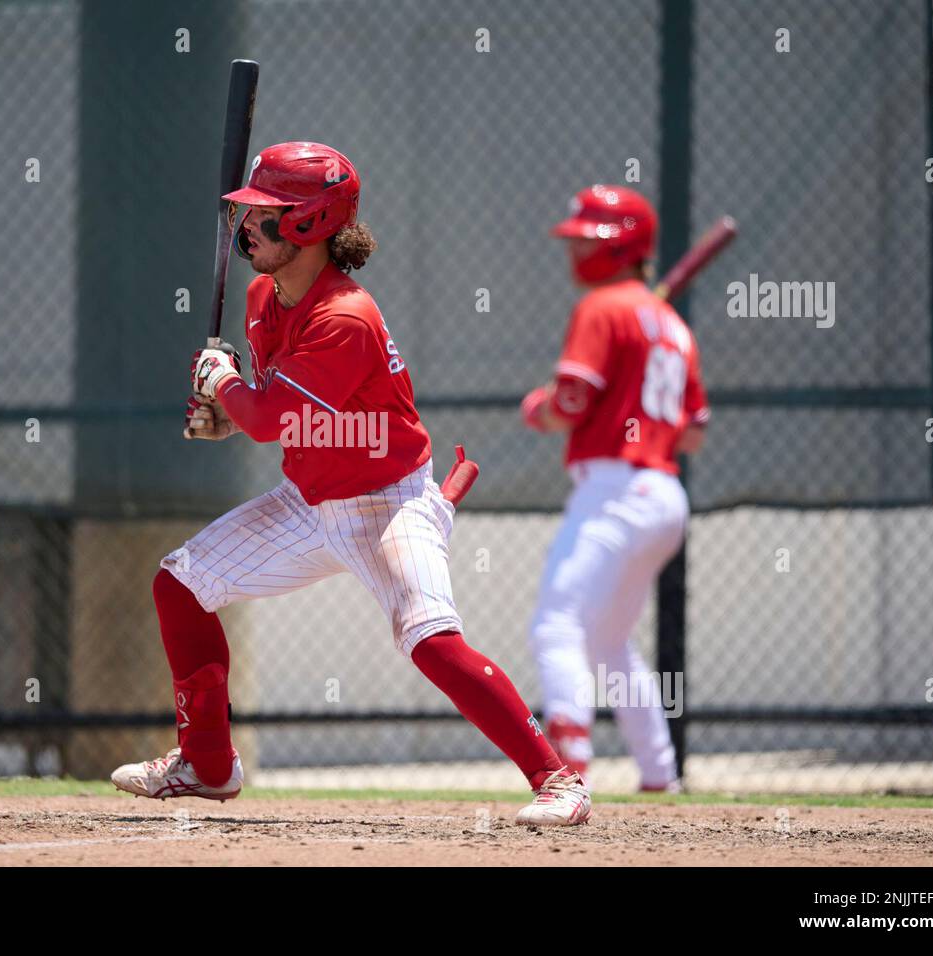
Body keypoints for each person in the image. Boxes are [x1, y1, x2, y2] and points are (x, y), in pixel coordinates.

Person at [110, 142, 589, 826]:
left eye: (268, 214)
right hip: (308, 501)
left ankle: (559, 780)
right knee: (179, 585)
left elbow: (272, 417)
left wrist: (226, 386)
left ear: (311, 224)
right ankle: (208, 764)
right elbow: (287, 415)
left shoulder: (345, 318)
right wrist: (227, 419)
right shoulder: (262, 296)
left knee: (430, 638)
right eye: (249, 211)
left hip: (387, 503)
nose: (247, 226)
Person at [521, 184, 709, 793]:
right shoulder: (673, 326)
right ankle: (660, 775)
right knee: (608, 643)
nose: (576, 252)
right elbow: (694, 434)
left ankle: (567, 771)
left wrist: (540, 409)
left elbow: (573, 400)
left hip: (614, 490)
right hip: (663, 497)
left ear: (621, 245)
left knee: (557, 626)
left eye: (587, 241)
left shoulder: (604, 307)